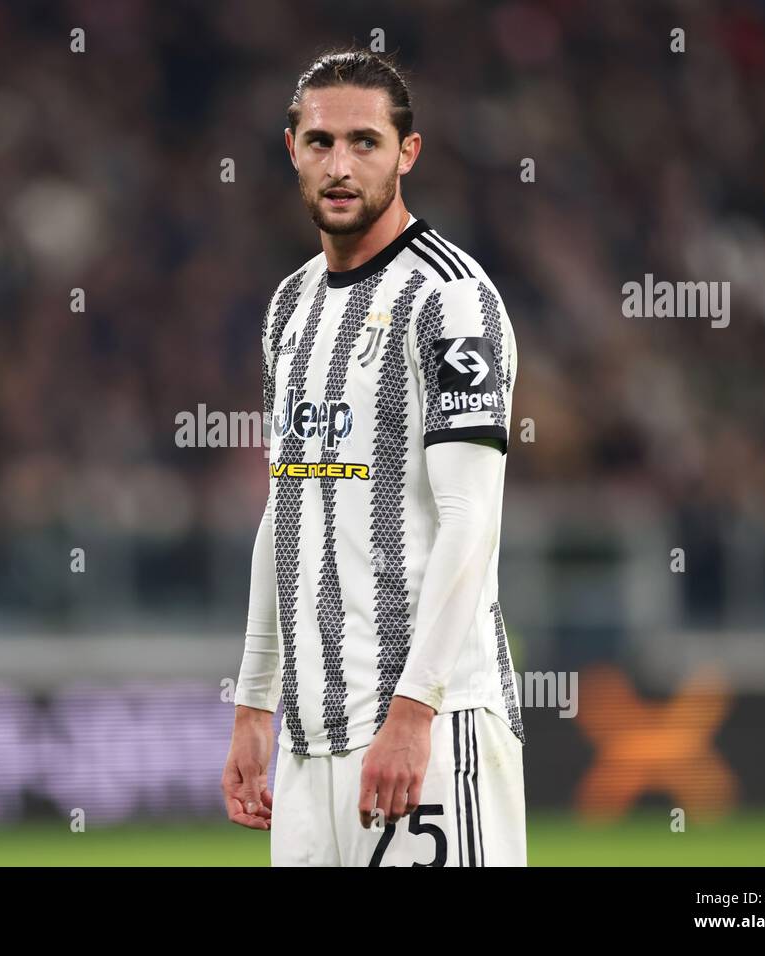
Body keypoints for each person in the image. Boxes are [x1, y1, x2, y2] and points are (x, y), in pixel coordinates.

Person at [222, 49, 526, 866]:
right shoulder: (290, 306)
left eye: (366, 141)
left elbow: (471, 519)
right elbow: (285, 510)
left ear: (408, 153)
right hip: (311, 740)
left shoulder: (452, 299)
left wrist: (415, 712)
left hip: (430, 727)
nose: (341, 164)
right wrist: (255, 703)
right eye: (321, 143)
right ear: (292, 150)